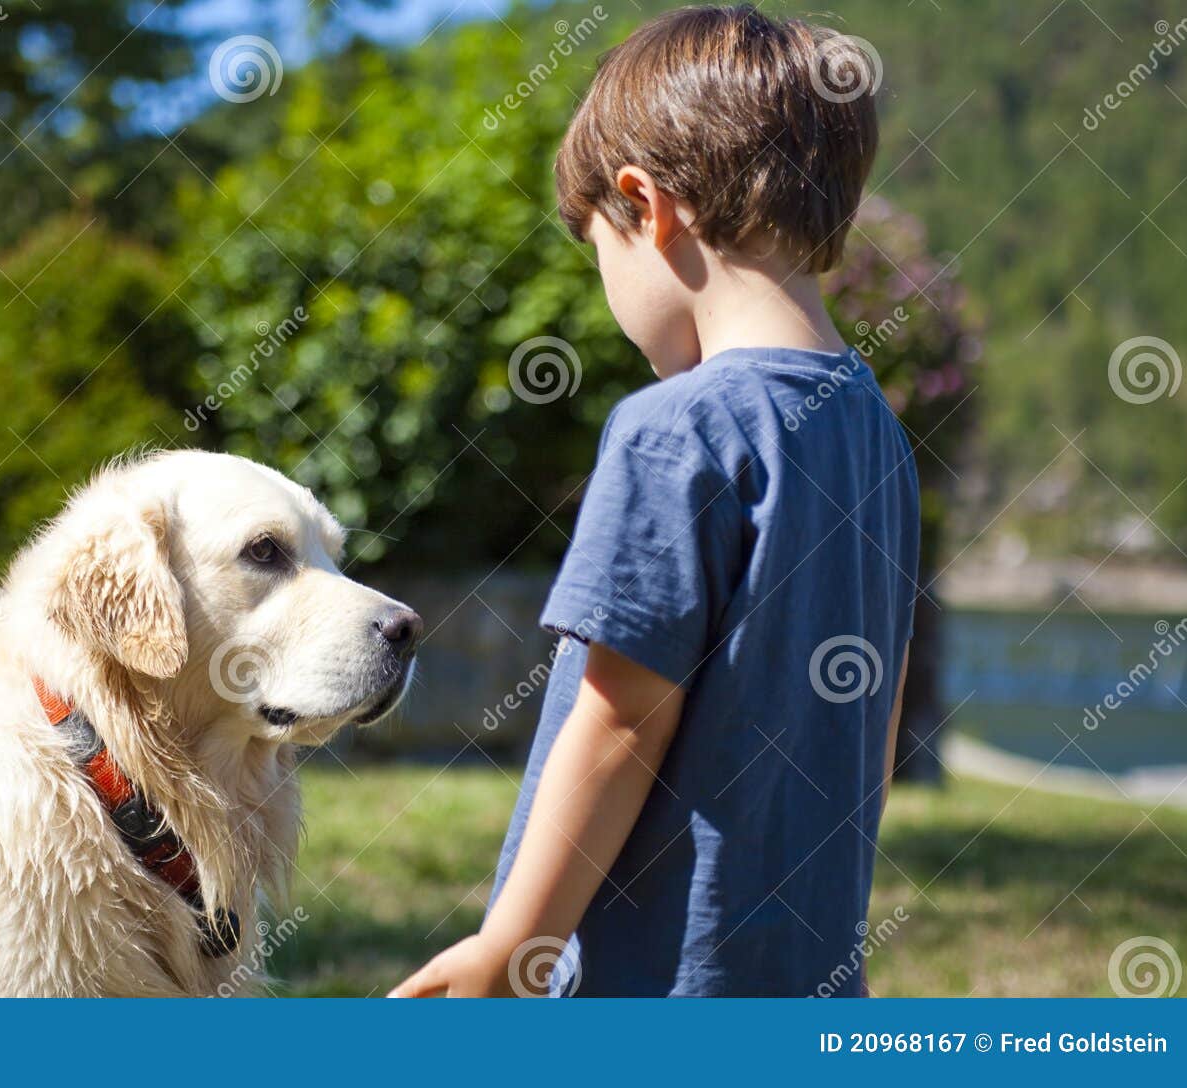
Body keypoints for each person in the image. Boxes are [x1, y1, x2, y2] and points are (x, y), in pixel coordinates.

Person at [391, 4, 918, 997]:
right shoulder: (875, 430)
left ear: (649, 206)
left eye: (598, 250)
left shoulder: (676, 426)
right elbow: (874, 716)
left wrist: (511, 946)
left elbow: (623, 721)